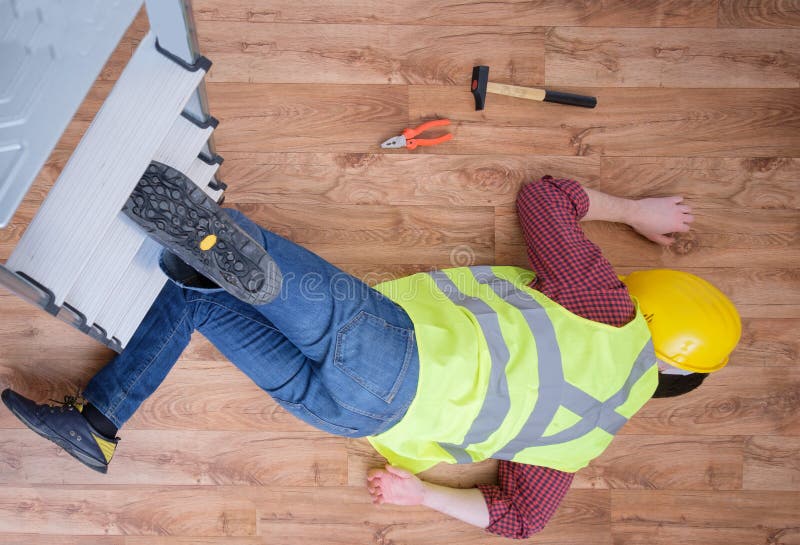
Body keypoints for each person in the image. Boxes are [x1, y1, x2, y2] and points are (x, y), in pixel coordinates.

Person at [2, 167, 741, 539]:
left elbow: (545, 199)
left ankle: (243, 254)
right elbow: (521, 521)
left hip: (397, 352)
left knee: (248, 260)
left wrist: (632, 211)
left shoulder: (608, 307)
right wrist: (422, 496)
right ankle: (99, 418)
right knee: (196, 294)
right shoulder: (583, 444)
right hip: (353, 415)